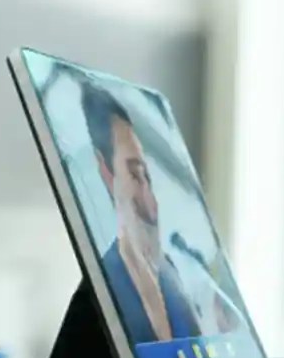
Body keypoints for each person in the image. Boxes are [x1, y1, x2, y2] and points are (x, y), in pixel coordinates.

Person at [80, 81, 202, 343]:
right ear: (105, 171)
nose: (148, 195)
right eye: (134, 174)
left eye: (146, 175)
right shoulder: (110, 280)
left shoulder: (170, 274)